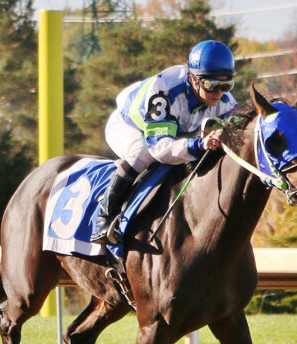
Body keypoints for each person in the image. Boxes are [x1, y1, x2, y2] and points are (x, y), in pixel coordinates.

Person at [91, 40, 238, 244]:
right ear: (194, 79)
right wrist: (198, 144)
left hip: (175, 131)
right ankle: (103, 217)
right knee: (141, 153)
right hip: (131, 126)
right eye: (212, 85)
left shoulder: (225, 101)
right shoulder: (165, 91)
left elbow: (236, 129)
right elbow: (160, 149)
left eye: (226, 84)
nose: (219, 93)